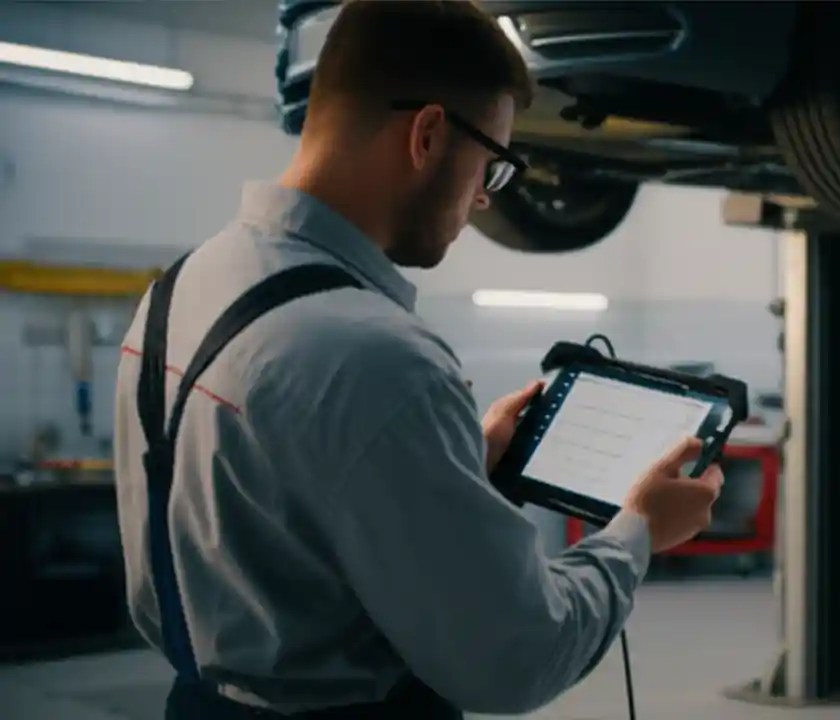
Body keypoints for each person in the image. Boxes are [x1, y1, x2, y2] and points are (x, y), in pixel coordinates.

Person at [111, 1, 725, 718]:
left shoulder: (179, 290)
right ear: (428, 135)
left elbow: (296, 528)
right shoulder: (381, 358)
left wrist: (464, 468)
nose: (481, 203)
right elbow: (517, 654)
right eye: (491, 167)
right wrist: (639, 532)